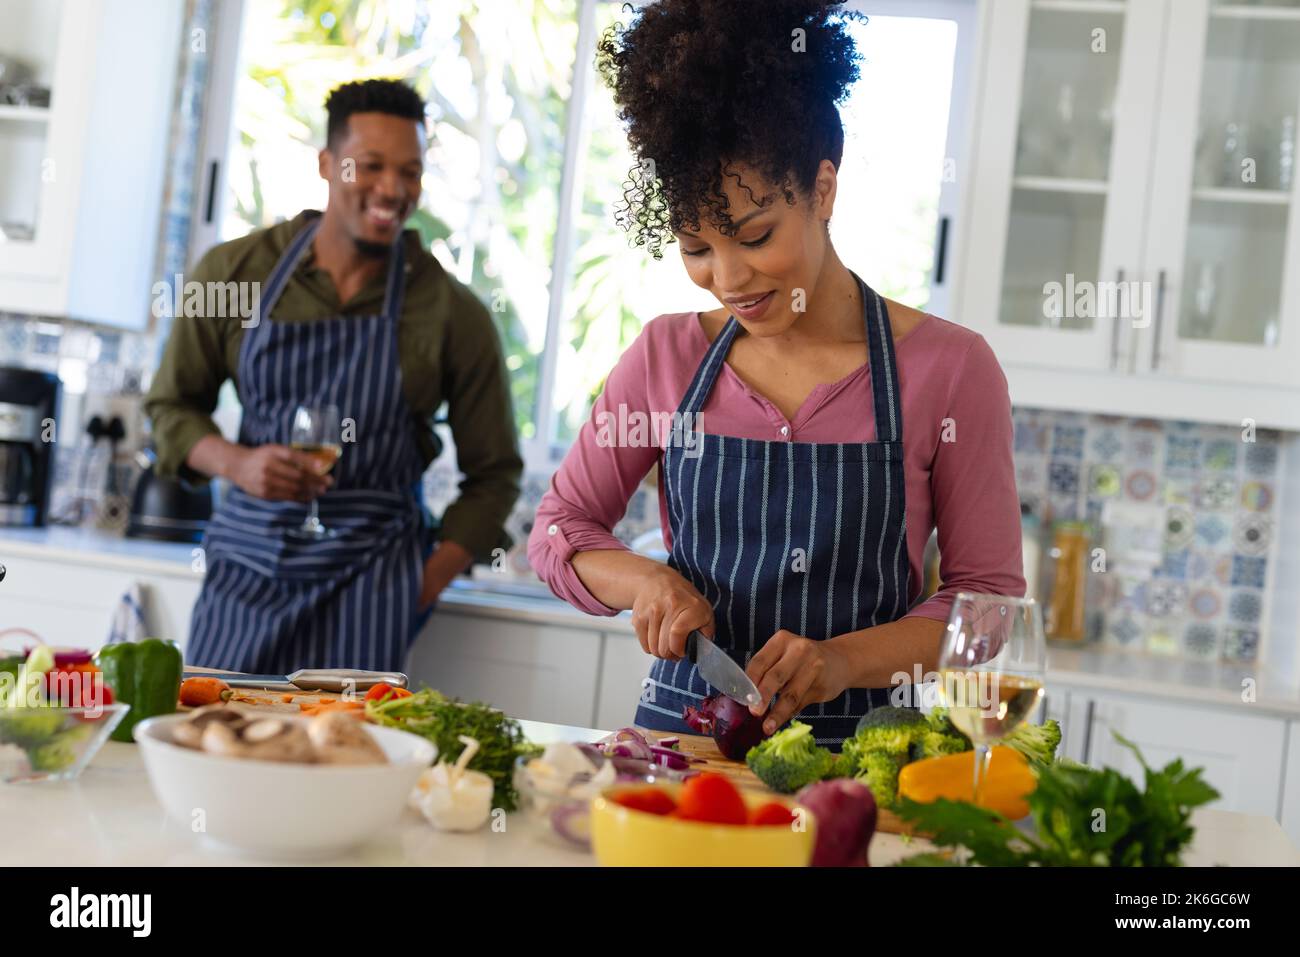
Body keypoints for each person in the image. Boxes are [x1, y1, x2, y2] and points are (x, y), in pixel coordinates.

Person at [528, 0, 1024, 743]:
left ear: (822, 190)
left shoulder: (950, 370)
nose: (728, 279)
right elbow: (558, 529)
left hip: (866, 765)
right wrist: (648, 581)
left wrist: (841, 660)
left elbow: (986, 607)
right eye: (696, 246)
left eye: (755, 235)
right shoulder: (666, 358)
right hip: (682, 751)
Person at [146, 79, 522, 672]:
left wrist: (418, 587)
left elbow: (495, 476)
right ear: (327, 164)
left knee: (348, 759)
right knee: (217, 741)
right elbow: (170, 407)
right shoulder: (233, 272)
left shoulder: (454, 313)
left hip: (372, 583)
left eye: (411, 172)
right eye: (369, 166)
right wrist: (239, 464)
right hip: (246, 572)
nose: (393, 189)